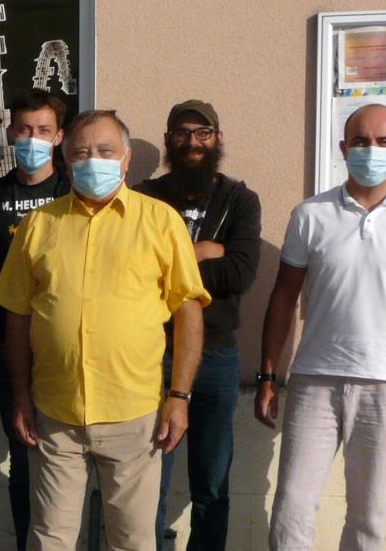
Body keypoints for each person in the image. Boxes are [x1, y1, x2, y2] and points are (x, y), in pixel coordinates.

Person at [0, 109, 212, 551]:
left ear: (126, 158)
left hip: (134, 414)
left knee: (132, 540)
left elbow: (188, 311)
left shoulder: (160, 220)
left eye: (105, 151)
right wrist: (21, 396)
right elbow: (17, 317)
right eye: (81, 152)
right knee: (49, 539)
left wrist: (179, 397)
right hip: (55, 412)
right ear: (66, 160)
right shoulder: (39, 224)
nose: (93, 160)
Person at [255, 104, 386, 550]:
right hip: (315, 380)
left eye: (383, 142)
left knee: (368, 519)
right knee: (291, 511)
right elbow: (283, 297)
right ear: (344, 148)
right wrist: (267, 374)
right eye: (361, 141)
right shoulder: (310, 214)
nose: (371, 150)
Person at [135, 100, 261, 550]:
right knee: (150, 479)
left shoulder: (239, 200)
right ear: (169, 140)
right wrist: (205, 250)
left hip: (217, 357)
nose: (193, 142)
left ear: (218, 138)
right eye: (183, 133)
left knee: (211, 483)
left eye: (203, 133)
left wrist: (174, 262)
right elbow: (137, 271)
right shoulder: (144, 198)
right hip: (154, 354)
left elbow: (240, 275)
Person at [0, 88, 69, 550]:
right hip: (7, 350)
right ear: (10, 132)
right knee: (23, 456)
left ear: (59, 136)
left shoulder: (73, 193)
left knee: (66, 460)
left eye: (43, 130)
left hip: (61, 349)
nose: (33, 139)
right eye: (25, 129)